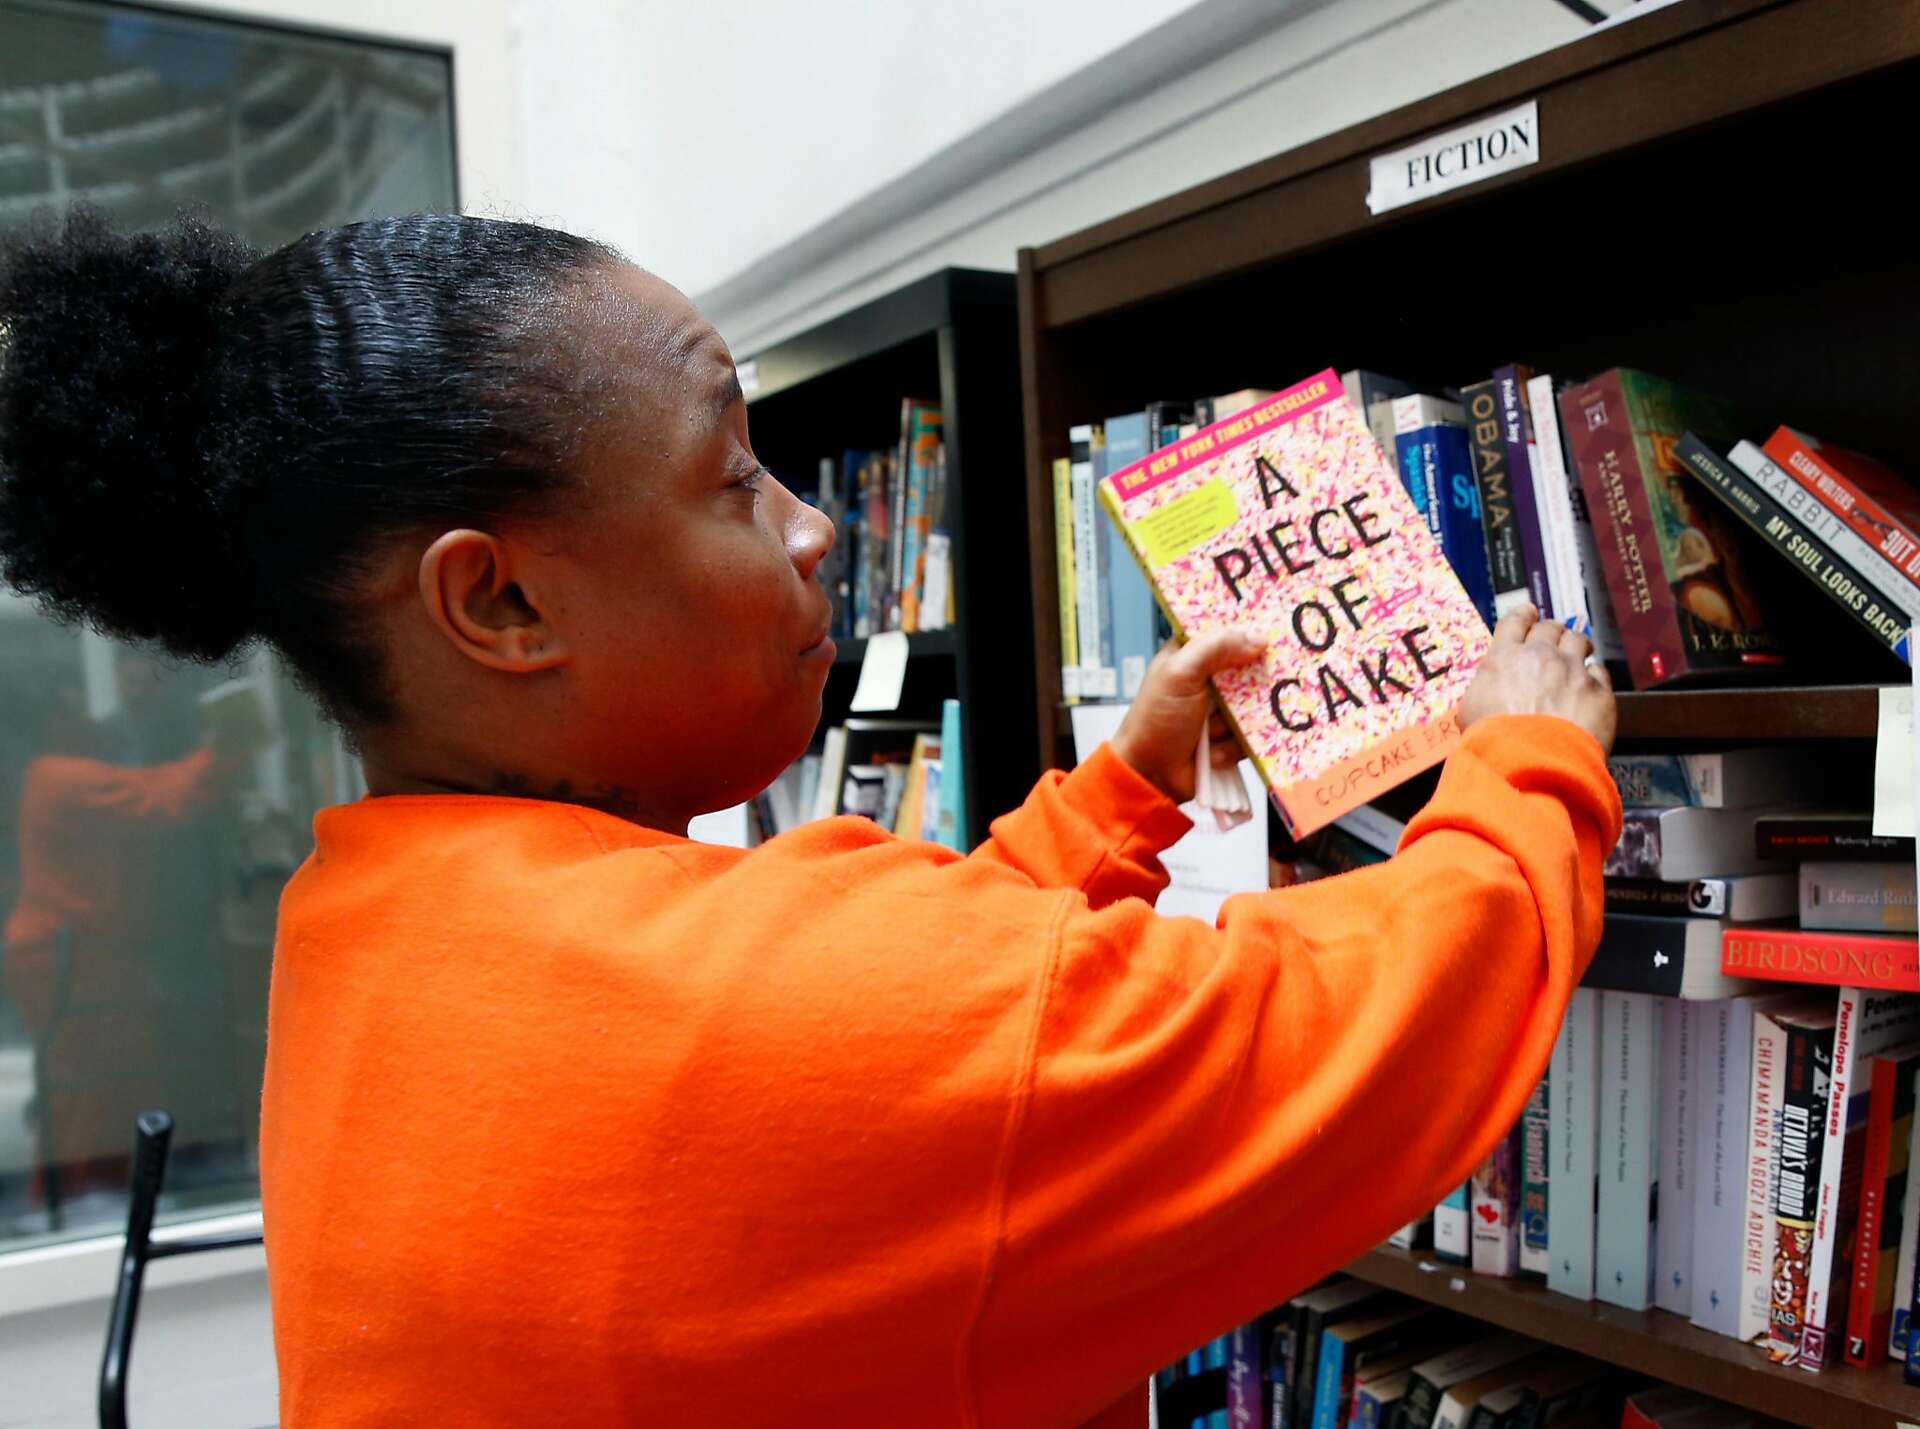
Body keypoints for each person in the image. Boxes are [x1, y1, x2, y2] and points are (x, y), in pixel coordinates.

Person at [0, 209, 1618, 1428]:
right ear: (494, 598)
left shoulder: (367, 925)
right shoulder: (754, 1013)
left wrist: (1122, 788)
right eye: (730, 477)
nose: (817, 524)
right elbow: (1386, 1028)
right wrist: (1528, 761)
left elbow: (880, 1064)